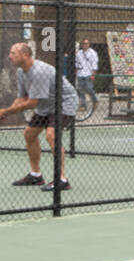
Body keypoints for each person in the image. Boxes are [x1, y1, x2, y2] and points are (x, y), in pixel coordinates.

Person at [1, 42, 78, 192]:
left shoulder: (39, 71)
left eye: (13, 53)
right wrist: (7, 111)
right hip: (45, 106)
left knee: (51, 135)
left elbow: (32, 103)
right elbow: (22, 98)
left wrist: (5, 112)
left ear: (26, 55)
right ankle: (36, 175)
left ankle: (61, 179)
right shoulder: (21, 72)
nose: (10, 56)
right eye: (10, 53)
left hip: (63, 103)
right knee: (29, 134)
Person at [74, 38, 98, 112]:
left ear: (89, 44)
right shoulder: (79, 53)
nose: (85, 45)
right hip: (80, 73)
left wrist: (93, 74)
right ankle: (83, 105)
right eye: (83, 43)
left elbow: (94, 63)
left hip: (88, 73)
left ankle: (95, 100)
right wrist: (76, 70)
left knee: (89, 88)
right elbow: (76, 62)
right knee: (81, 90)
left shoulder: (92, 53)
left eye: (86, 43)